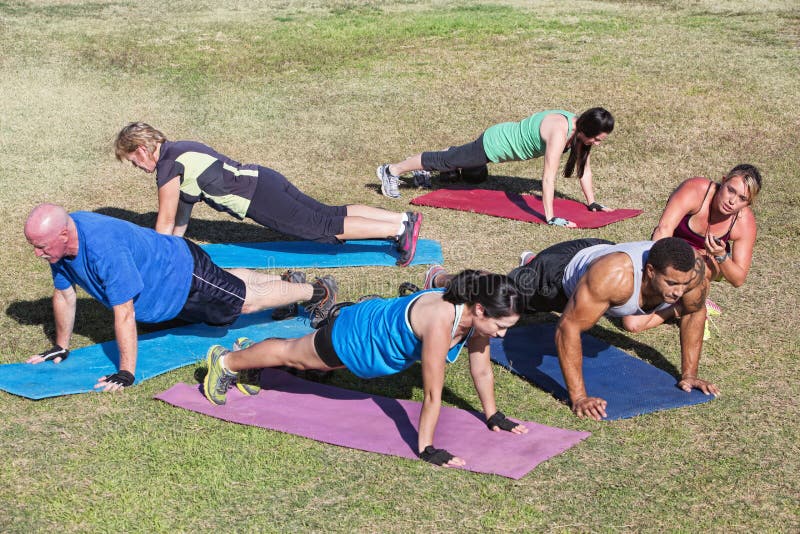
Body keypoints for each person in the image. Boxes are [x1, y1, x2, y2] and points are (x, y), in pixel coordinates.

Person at [203, 270, 529, 467]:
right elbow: (432, 394)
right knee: (294, 356)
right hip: (357, 335)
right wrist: (427, 448)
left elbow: (481, 370)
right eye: (500, 327)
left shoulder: (476, 312)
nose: (501, 335)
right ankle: (226, 361)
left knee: (302, 358)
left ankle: (249, 355)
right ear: (480, 309)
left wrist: (493, 415)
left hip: (374, 332)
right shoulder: (441, 322)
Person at [24, 204, 337, 392]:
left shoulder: (104, 249)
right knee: (229, 283)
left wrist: (126, 371)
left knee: (245, 301)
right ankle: (284, 283)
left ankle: (317, 292)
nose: (38, 254)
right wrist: (61, 345)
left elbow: (124, 313)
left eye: (41, 246)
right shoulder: (61, 248)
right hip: (170, 283)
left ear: (63, 234)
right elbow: (64, 294)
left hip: (182, 273)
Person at [426, 237, 717, 421]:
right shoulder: (614, 278)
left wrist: (689, 374)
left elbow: (694, 312)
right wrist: (579, 397)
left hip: (597, 260)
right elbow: (567, 329)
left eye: (683, 284)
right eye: (671, 283)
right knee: (503, 294)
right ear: (651, 272)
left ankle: (530, 264)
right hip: (557, 274)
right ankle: (440, 279)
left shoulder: (693, 275)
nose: (678, 292)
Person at [114, 123, 422, 267]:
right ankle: (402, 219)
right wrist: (175, 247)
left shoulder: (167, 166)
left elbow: (165, 220)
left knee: (323, 228)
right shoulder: (180, 149)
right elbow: (182, 213)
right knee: (329, 213)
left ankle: (399, 231)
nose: (137, 167)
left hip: (257, 197)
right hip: (265, 179)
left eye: (133, 161)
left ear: (141, 150)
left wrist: (156, 260)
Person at [376, 108, 615, 227]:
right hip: (495, 144)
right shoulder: (560, 131)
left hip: (498, 148)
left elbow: (585, 169)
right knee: (446, 161)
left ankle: (448, 160)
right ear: (586, 129)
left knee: (475, 176)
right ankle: (392, 171)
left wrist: (592, 202)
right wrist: (550, 217)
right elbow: (548, 178)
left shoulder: (578, 130)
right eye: (596, 139)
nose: (597, 143)